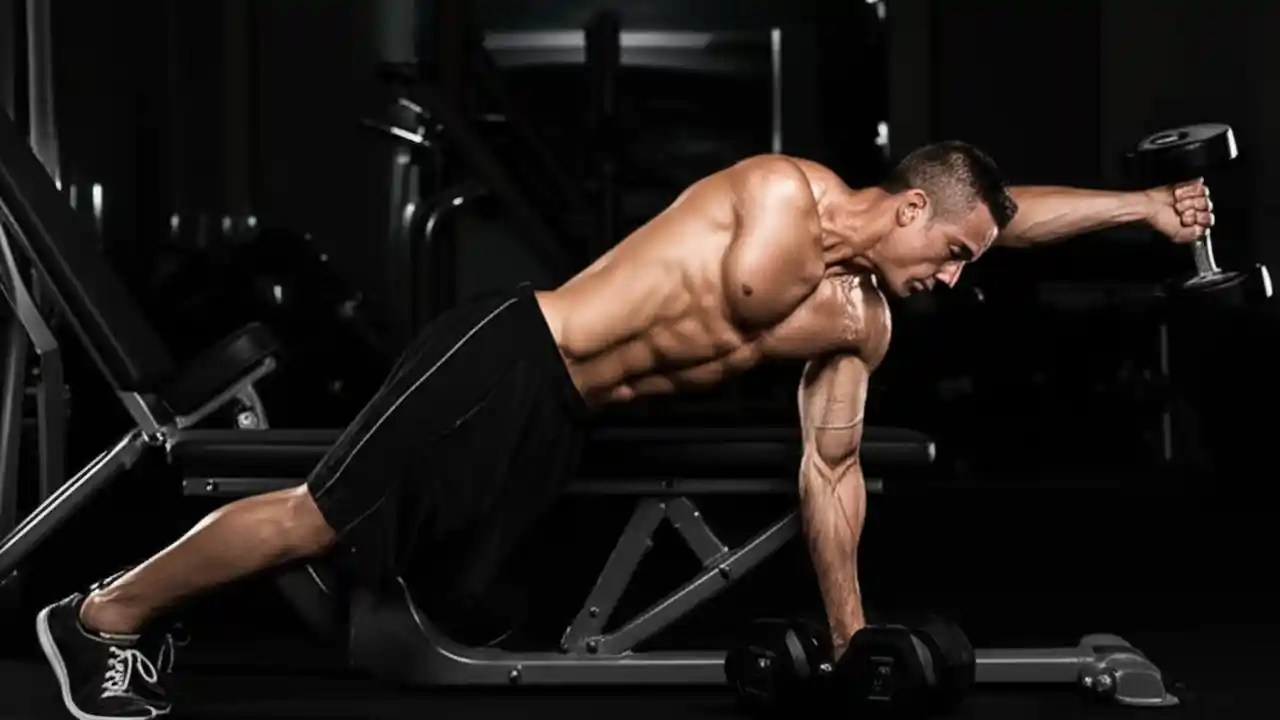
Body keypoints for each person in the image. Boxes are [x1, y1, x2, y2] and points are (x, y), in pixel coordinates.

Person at [35, 142, 1212, 719]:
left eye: (966, 264)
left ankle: (184, 616)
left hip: (561, 418)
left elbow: (831, 471)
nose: (956, 279)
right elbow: (987, 217)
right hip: (506, 348)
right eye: (947, 257)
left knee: (461, 609)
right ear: (908, 206)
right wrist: (1036, 220)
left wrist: (851, 635)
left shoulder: (857, 325)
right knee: (315, 518)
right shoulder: (779, 193)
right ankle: (97, 617)